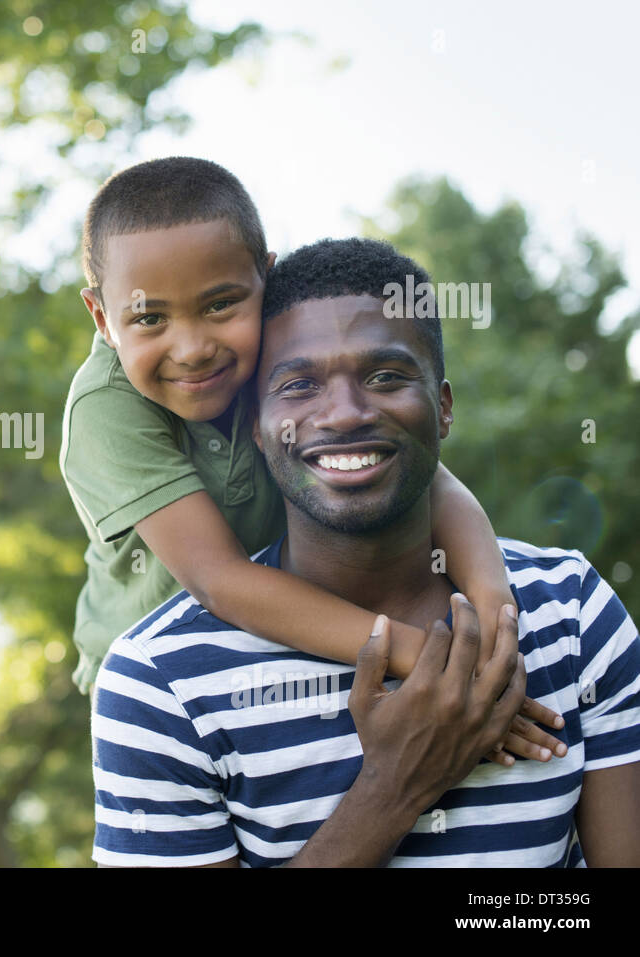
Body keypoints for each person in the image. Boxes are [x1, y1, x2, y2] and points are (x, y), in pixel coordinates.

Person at [90, 238, 640, 866]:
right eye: (298, 385)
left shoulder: (569, 614)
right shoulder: (158, 684)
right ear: (254, 425)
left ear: (443, 408)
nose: (345, 414)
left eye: (385, 377)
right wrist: (395, 787)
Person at [60, 157, 562, 763]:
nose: (192, 349)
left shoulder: (274, 355)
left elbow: (433, 477)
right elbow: (221, 581)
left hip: (314, 633)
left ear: (263, 280)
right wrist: (440, 666)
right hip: (171, 693)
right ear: (102, 318)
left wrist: (493, 619)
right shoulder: (105, 407)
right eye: (149, 318)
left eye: (221, 305)